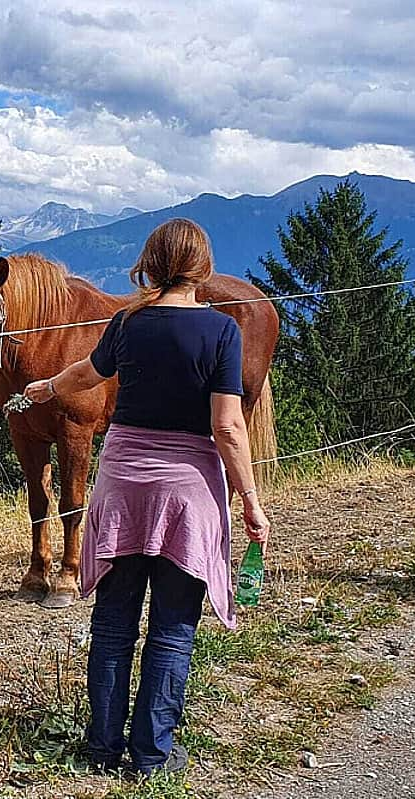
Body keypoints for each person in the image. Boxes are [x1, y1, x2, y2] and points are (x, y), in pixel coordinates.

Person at [23, 217, 271, 776]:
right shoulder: (221, 332)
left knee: (112, 624)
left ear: (151, 264)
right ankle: (153, 754)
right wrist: (250, 499)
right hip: (186, 495)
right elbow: (229, 429)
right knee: (172, 629)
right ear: (202, 268)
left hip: (121, 489)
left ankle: (102, 747)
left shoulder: (125, 322)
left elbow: (86, 373)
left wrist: (44, 388)